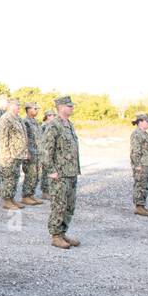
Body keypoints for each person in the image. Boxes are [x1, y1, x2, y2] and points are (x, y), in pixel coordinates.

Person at [42, 96, 82, 250]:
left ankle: (63, 232)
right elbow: (46, 150)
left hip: (71, 172)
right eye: (69, 106)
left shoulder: (69, 125)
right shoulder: (54, 125)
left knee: (69, 205)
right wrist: (51, 171)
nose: (72, 108)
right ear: (60, 107)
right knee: (59, 205)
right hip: (59, 173)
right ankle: (55, 235)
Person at [130, 113, 148, 216]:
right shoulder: (137, 134)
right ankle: (139, 207)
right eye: (147, 121)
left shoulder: (144, 133)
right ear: (140, 122)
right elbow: (135, 151)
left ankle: (142, 206)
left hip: (147, 163)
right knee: (140, 184)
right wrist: (137, 165)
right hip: (142, 164)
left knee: (145, 184)